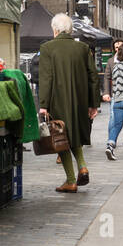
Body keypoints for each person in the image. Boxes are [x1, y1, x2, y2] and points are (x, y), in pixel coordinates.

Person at [38, 13, 99, 193]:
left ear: (55, 29)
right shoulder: (83, 47)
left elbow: (46, 78)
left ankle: (71, 180)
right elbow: (93, 76)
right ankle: (82, 166)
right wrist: (93, 103)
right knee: (74, 135)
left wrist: (43, 104)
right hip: (80, 100)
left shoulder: (47, 48)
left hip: (57, 100)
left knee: (61, 137)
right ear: (70, 29)